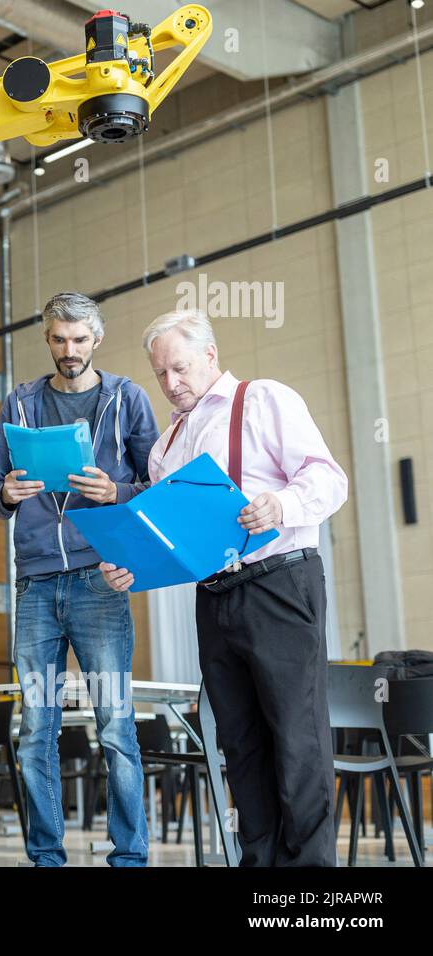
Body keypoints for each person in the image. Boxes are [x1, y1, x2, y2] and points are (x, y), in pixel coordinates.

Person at [101, 309, 348, 866]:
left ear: (210, 356)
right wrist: (129, 567)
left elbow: (328, 477)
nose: (171, 383)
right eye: (160, 374)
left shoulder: (264, 400)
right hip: (214, 598)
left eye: (180, 368)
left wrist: (280, 503)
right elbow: (170, 541)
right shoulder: (165, 448)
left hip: (280, 584)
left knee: (296, 737)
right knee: (240, 744)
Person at [0, 292, 159, 866]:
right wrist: (5, 494)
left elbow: (157, 483)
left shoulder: (127, 399)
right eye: (59, 340)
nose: (69, 351)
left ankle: (129, 856)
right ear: (47, 339)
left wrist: (119, 492)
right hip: (36, 587)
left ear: (97, 340)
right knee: (37, 728)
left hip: (98, 584)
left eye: (79, 340)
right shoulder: (19, 403)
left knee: (115, 724)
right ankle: (46, 857)